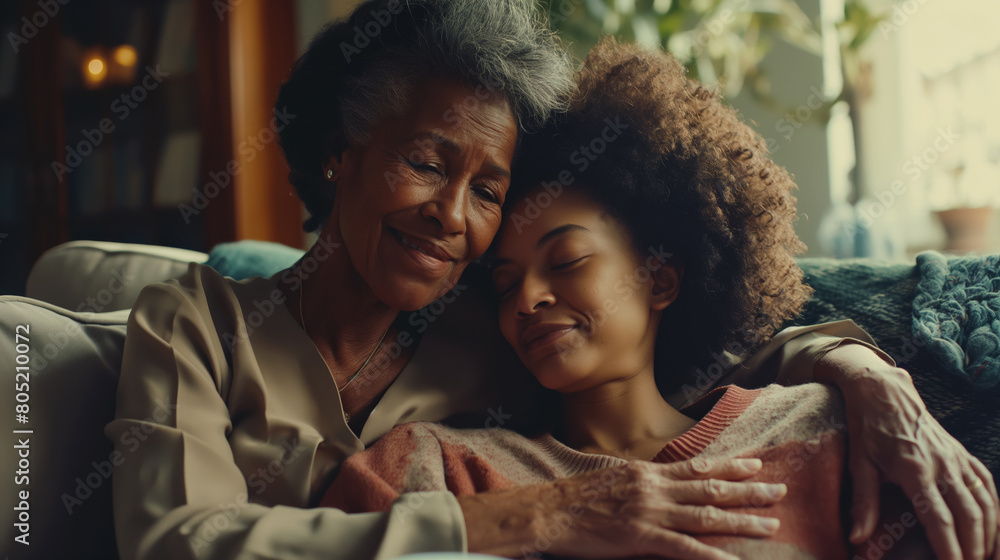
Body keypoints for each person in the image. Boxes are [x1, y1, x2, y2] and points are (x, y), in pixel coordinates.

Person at [104, 1, 997, 559]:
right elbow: (174, 542)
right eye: (424, 161)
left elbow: (710, 356)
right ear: (341, 156)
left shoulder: (493, 321)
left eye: (487, 189)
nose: (452, 215)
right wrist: (542, 515)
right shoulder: (193, 321)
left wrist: (872, 377)